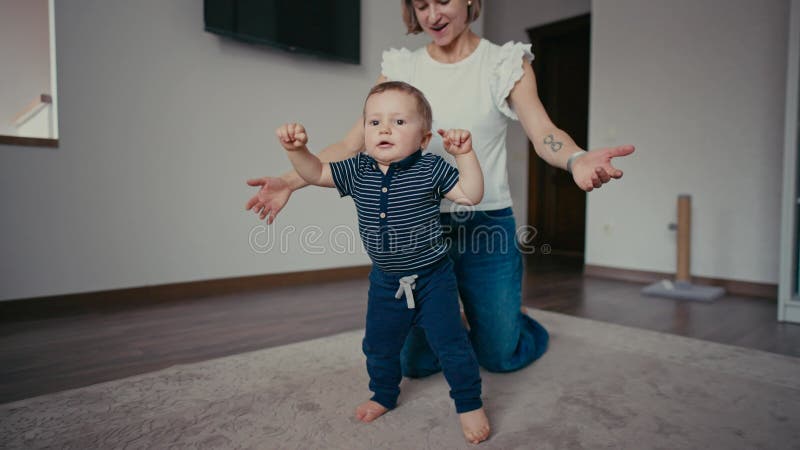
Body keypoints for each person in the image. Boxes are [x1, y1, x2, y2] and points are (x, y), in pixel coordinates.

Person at [247, 0, 634, 382]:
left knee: (500, 355)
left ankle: (515, 322)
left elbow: (544, 132)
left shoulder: (504, 63)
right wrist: (290, 181)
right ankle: (461, 320)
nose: (432, 15)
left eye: (443, 1)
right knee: (413, 364)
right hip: (416, 229)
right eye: (421, 5)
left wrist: (576, 158)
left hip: (486, 223)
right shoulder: (403, 67)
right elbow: (352, 146)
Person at [277, 81, 490, 444]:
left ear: (423, 139)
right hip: (386, 281)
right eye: (374, 122)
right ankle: (383, 394)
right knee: (378, 344)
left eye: (398, 122)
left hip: (434, 279)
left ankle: (469, 403)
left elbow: (470, 194)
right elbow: (315, 173)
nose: (384, 129)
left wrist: (465, 155)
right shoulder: (357, 169)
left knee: (451, 344)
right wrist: (297, 150)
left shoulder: (431, 168)